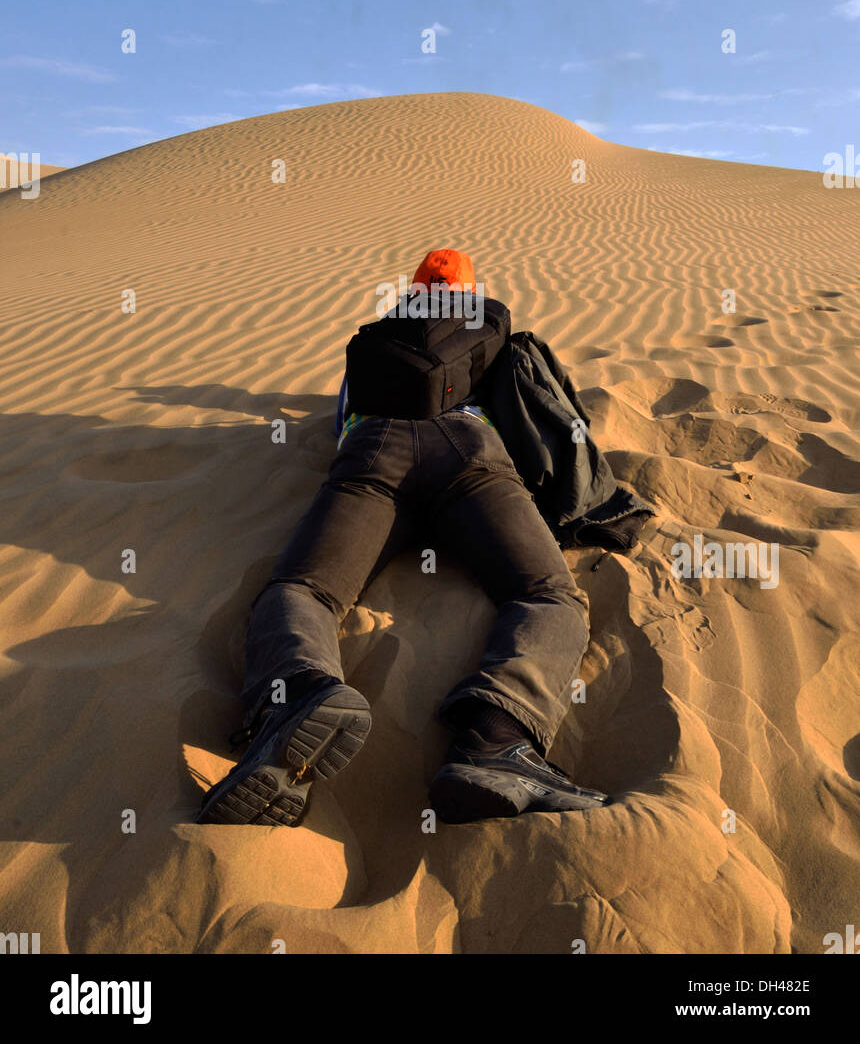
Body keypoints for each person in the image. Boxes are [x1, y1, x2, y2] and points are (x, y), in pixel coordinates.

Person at [196, 249, 615, 827]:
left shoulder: (377, 344)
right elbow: (535, 408)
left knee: (303, 589)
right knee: (546, 594)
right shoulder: (487, 335)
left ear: (412, 293)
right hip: (471, 452)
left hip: (373, 450)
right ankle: (499, 739)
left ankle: (296, 691)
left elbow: (343, 416)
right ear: (470, 293)